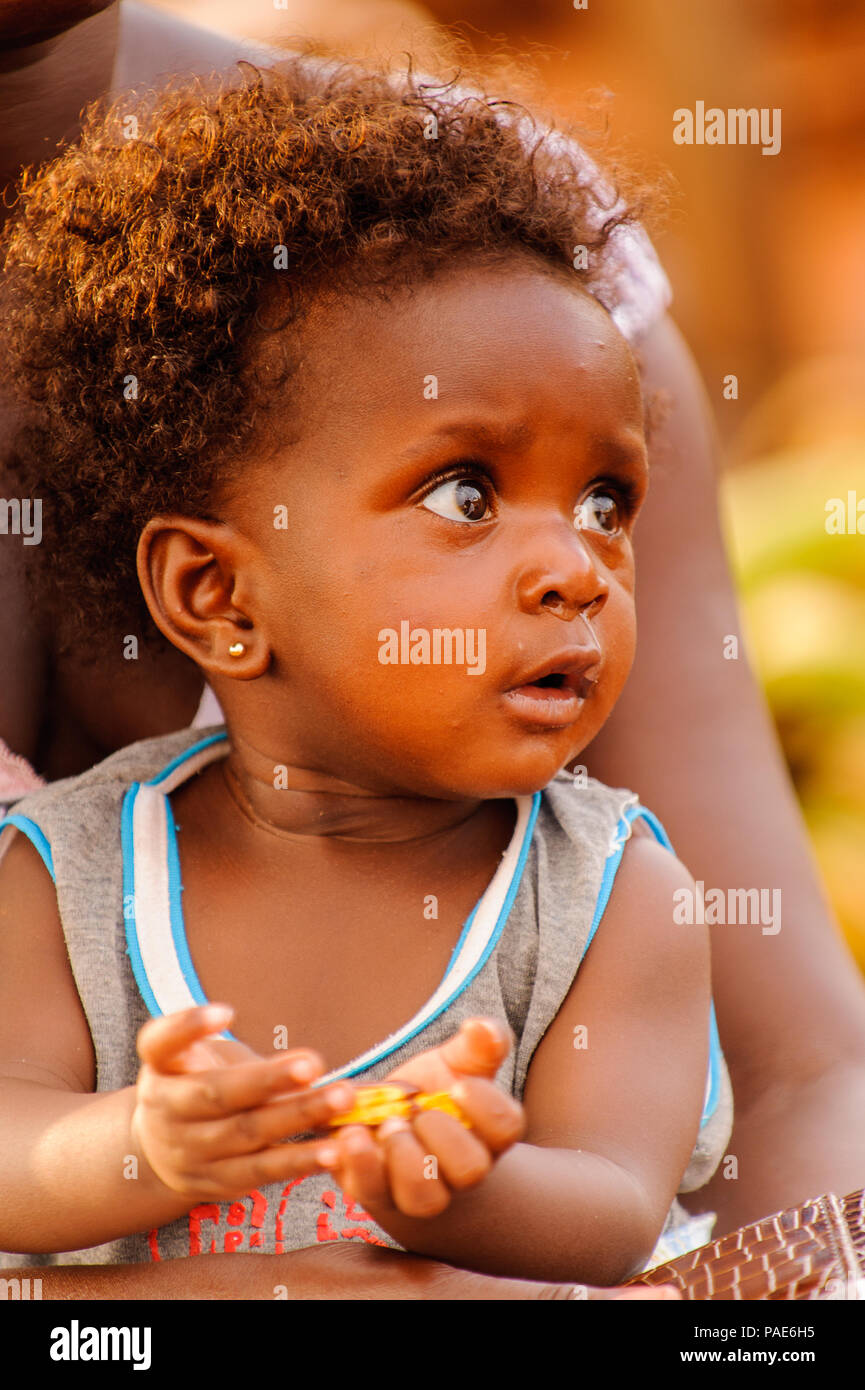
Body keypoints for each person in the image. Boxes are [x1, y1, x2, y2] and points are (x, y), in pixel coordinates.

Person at [2, 1, 864, 1302]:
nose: (576, 565)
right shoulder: (64, 877)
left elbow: (643, 1195)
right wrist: (139, 1147)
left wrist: (466, 1186)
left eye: (608, 504)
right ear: (213, 590)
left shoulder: (607, 892)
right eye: (464, 495)